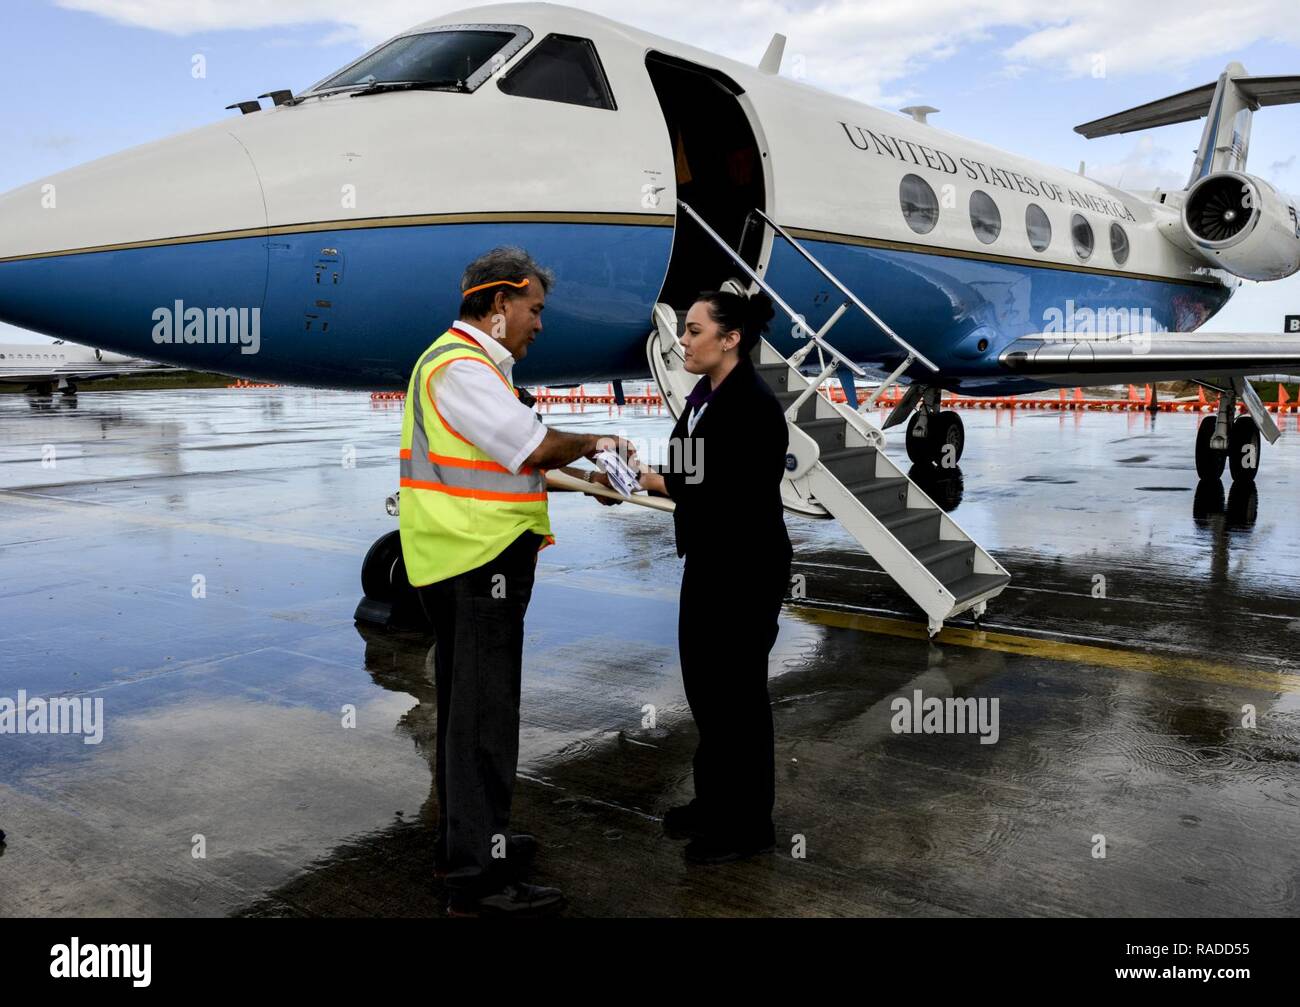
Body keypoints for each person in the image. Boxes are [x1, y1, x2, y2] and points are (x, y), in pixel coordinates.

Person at [399, 246, 634, 916]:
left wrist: (585, 483)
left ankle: (469, 841)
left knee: (463, 714)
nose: (539, 324)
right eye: (534, 309)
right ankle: (479, 880)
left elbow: (511, 459)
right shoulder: (463, 367)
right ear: (500, 304)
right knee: (484, 723)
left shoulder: (461, 365)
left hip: (459, 559)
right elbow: (531, 445)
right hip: (478, 565)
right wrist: (599, 443)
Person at [598, 287, 792, 864]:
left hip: (743, 571)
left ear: (730, 339)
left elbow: (713, 487)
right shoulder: (707, 394)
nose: (683, 339)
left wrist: (642, 481)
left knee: (738, 700)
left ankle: (748, 825)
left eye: (694, 330)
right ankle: (714, 804)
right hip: (710, 564)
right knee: (708, 693)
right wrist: (632, 477)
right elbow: (689, 470)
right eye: (685, 329)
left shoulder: (751, 405)